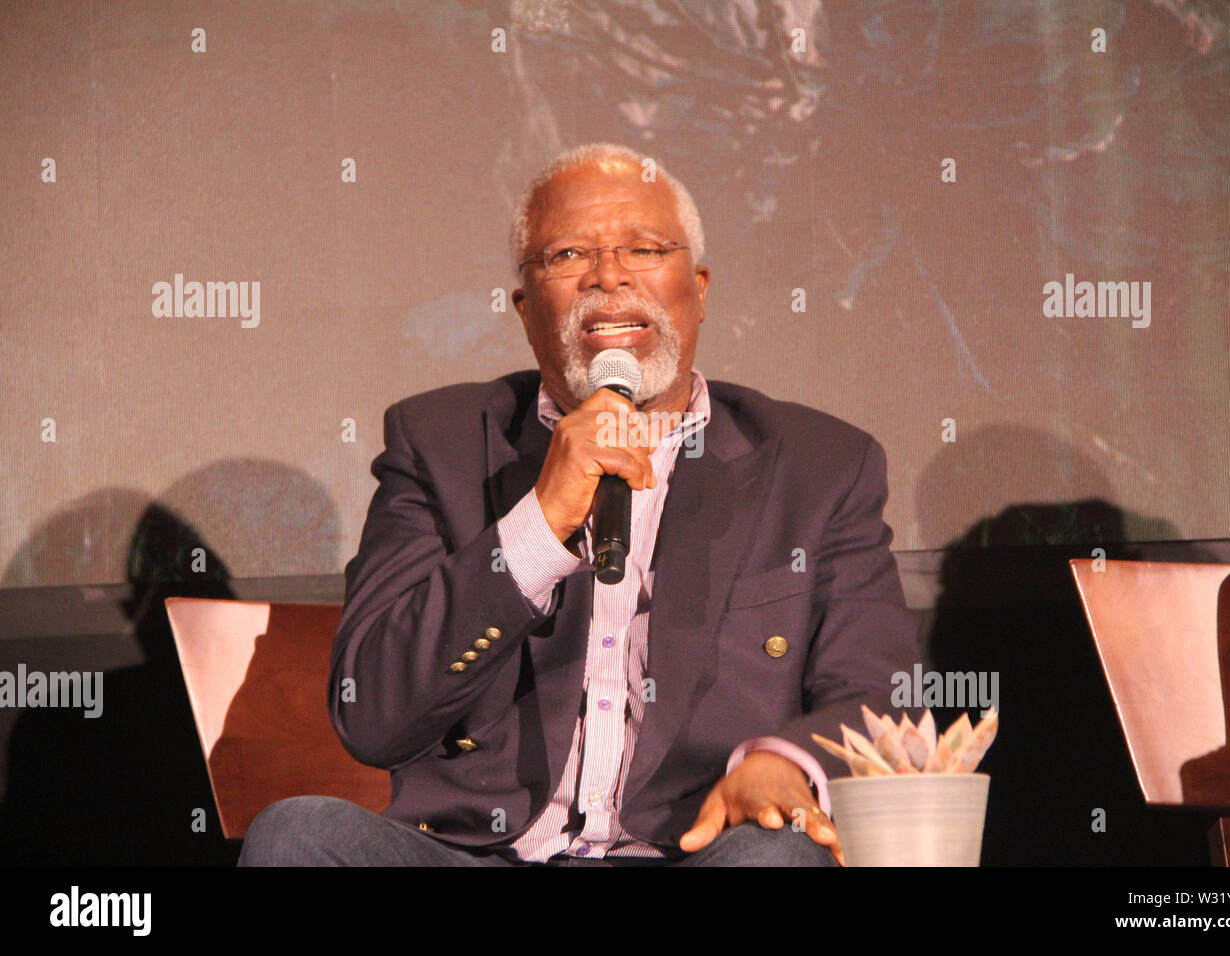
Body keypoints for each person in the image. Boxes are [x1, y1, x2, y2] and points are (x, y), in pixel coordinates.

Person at [238, 142, 920, 866]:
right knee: (299, 836)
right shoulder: (437, 445)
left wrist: (783, 761)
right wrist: (535, 525)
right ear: (527, 310)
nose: (609, 277)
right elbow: (371, 717)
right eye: (567, 255)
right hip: (483, 857)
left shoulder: (819, 467)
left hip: (693, 854)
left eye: (646, 249)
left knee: (776, 860)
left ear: (700, 286)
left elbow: (883, 696)